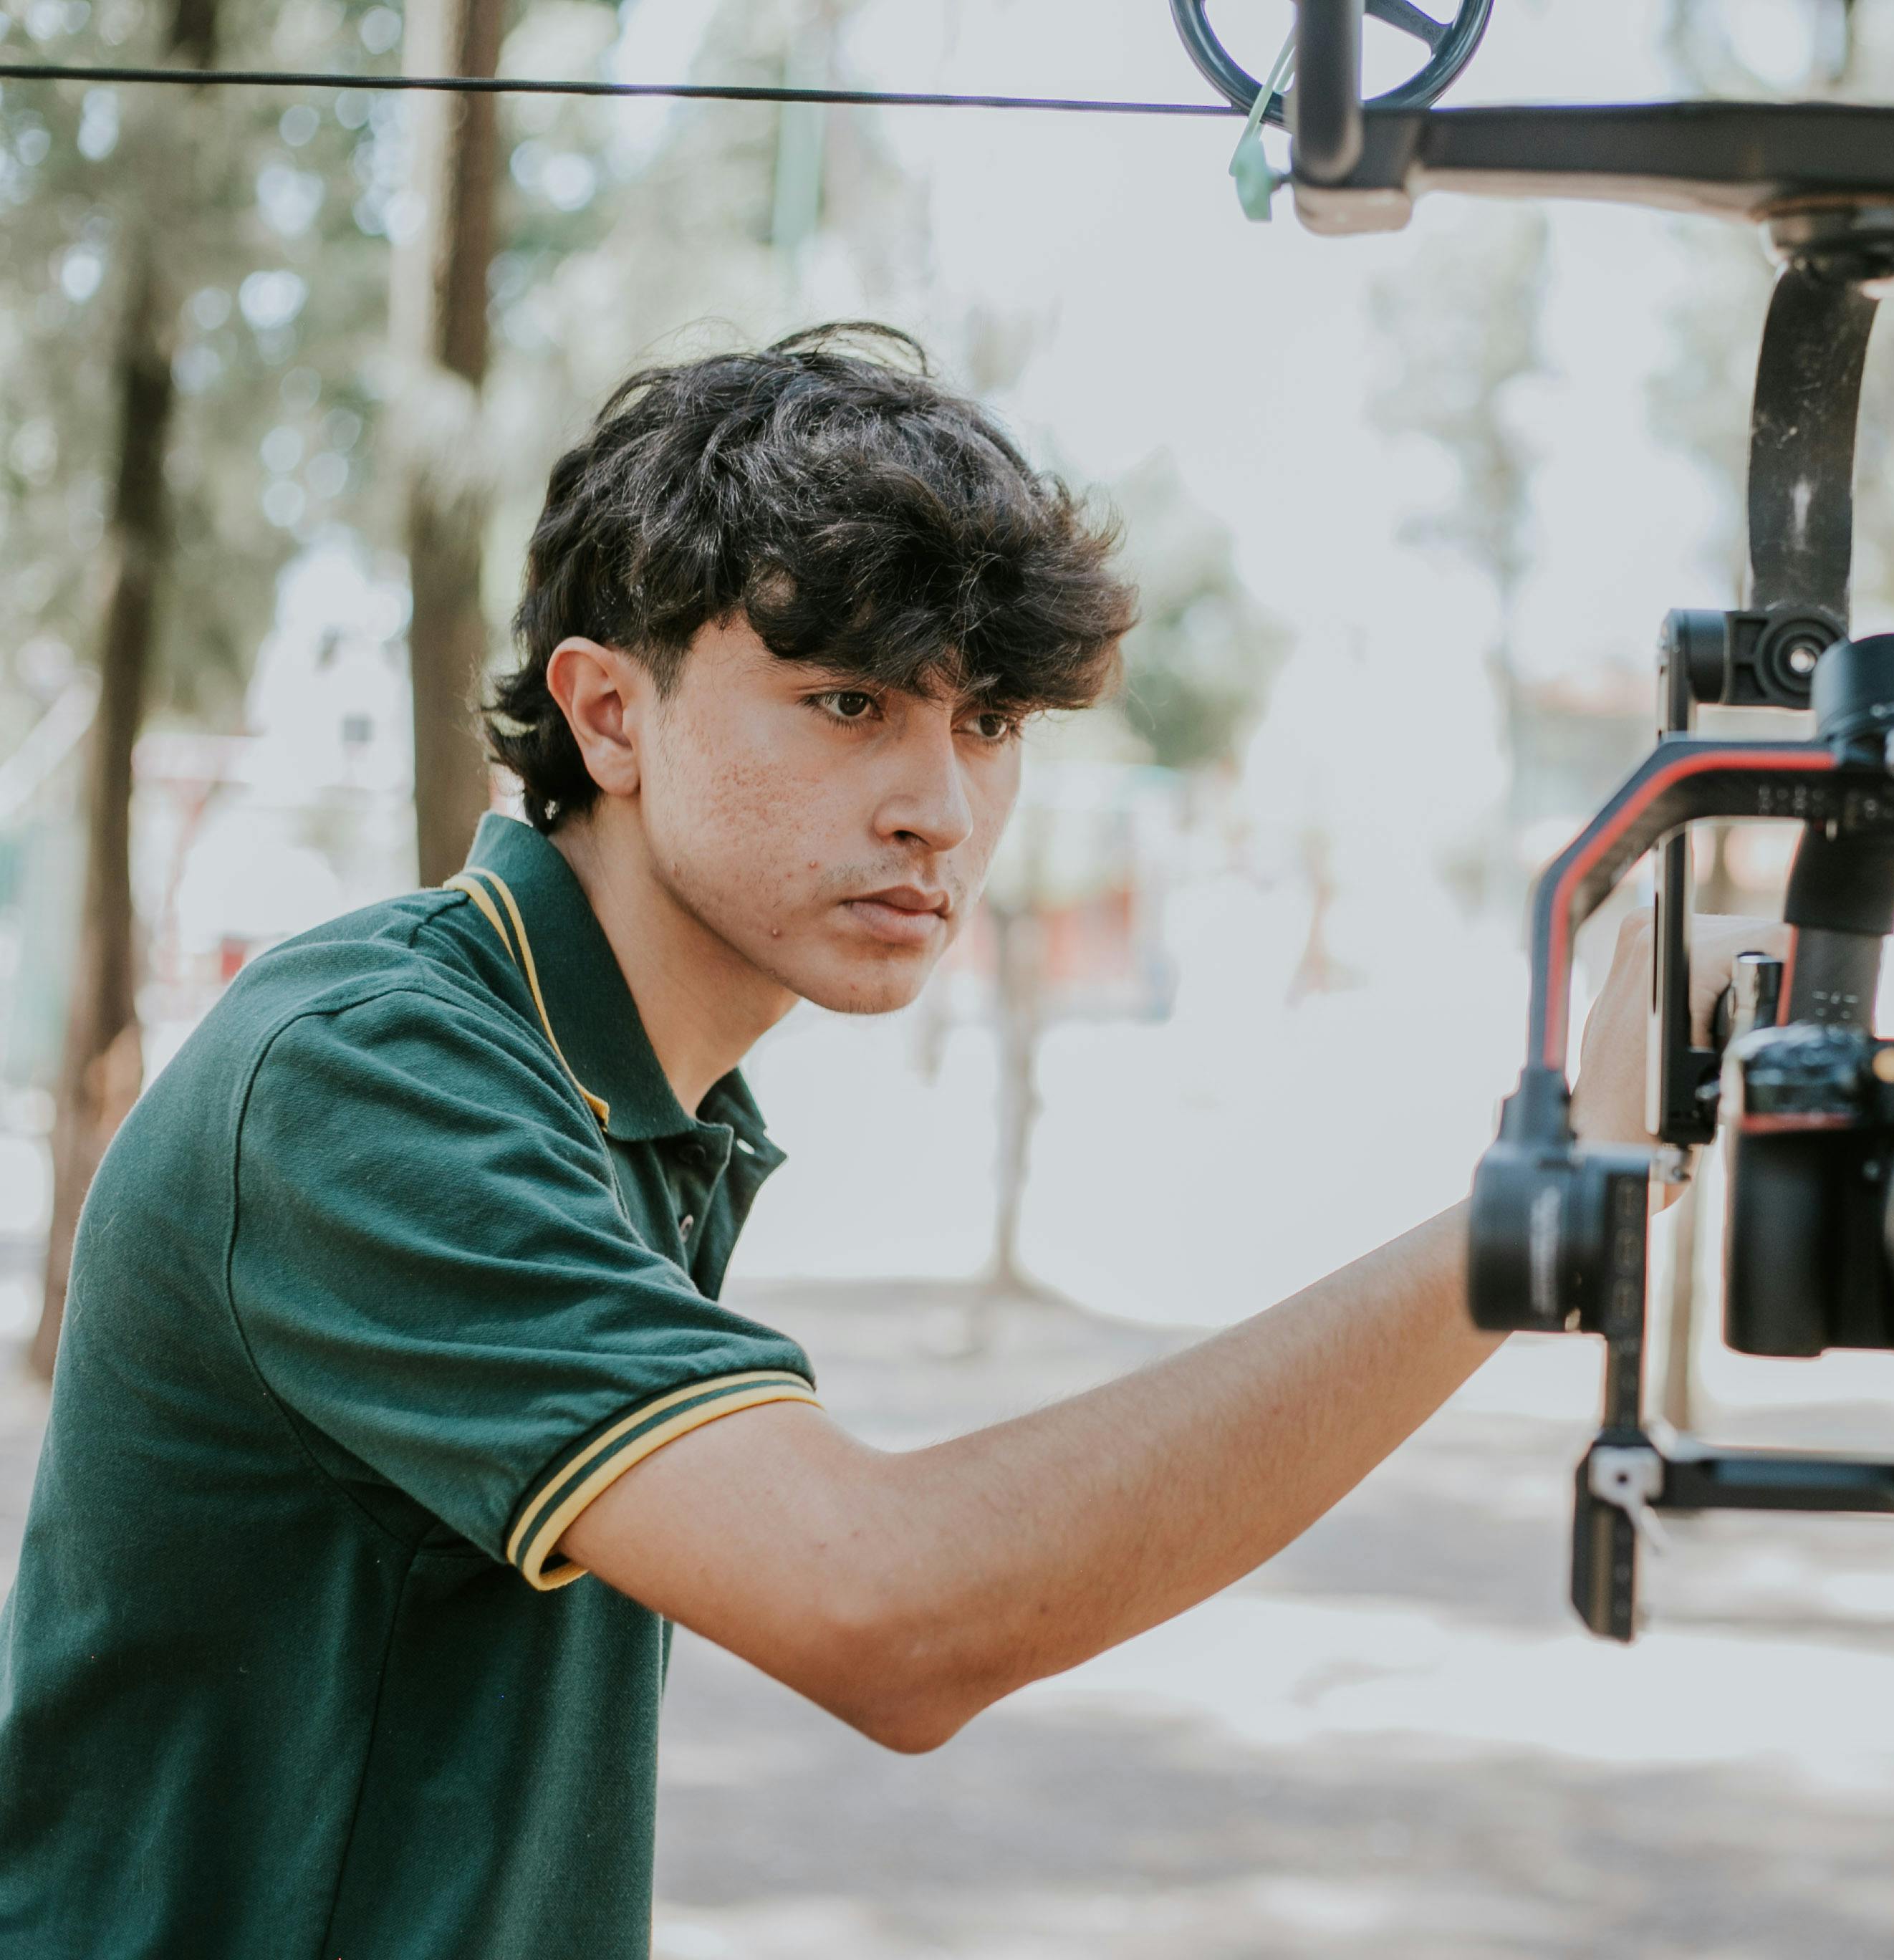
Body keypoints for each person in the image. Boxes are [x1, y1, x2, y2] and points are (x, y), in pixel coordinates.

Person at [0, 325, 1761, 1956]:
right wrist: (1526, 1217)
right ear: (610, 712)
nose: (941, 803)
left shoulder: (620, 1095)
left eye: (985, 723)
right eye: (851, 703)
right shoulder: (369, 1082)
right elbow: (890, 1611)